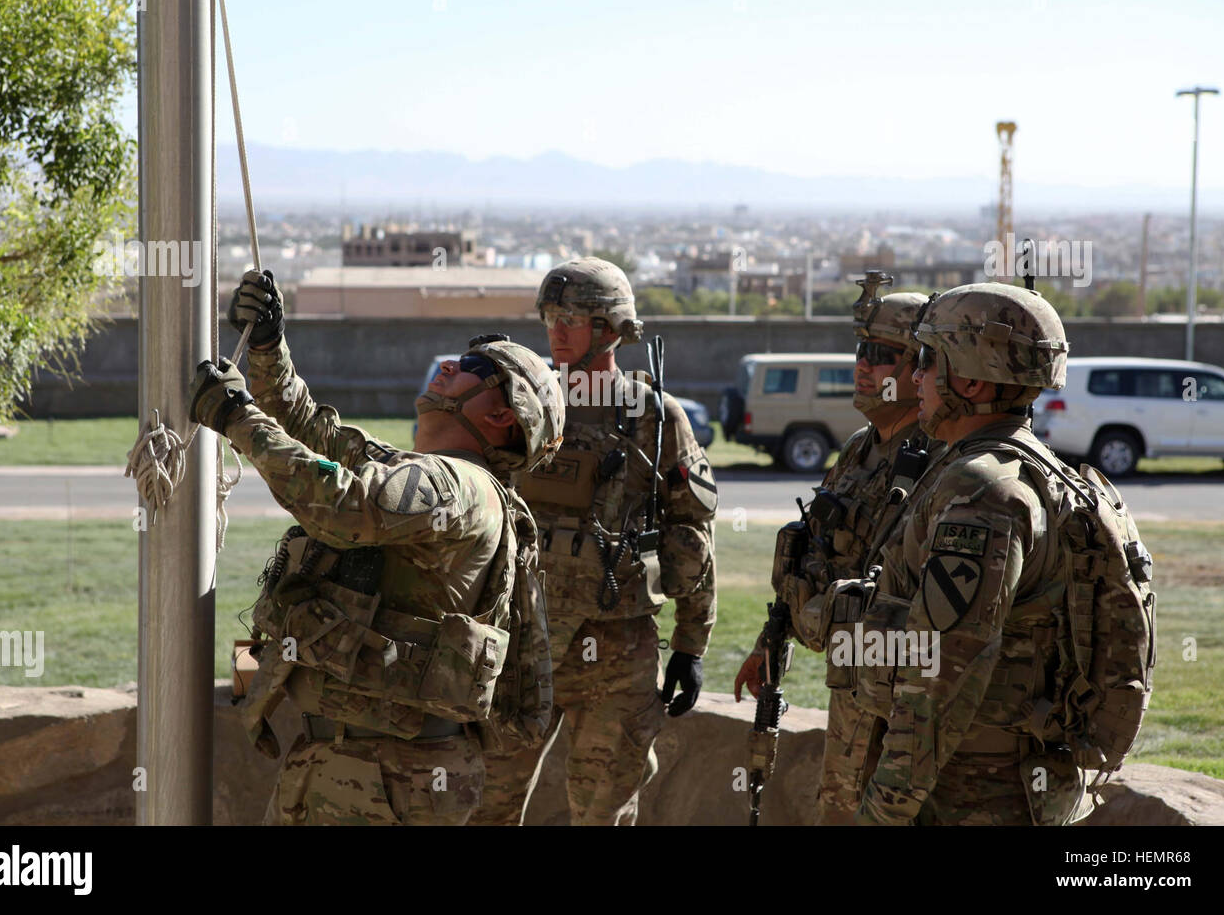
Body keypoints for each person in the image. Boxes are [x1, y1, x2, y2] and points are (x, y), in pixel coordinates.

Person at [190, 269, 564, 825]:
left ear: (504, 416)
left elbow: (341, 506)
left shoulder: (457, 487)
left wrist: (235, 416)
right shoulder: (423, 476)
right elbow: (314, 433)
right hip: (349, 760)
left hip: (394, 777)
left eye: (476, 370)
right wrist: (267, 349)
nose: (451, 366)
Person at [470, 256, 718, 826]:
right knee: (485, 805)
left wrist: (690, 643)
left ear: (611, 329)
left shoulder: (652, 416)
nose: (556, 331)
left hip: (616, 653)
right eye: (550, 316)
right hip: (520, 646)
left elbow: (692, 532)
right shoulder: (520, 404)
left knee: (602, 812)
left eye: (572, 318)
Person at [844, 281, 1102, 825]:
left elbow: (942, 673)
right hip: (997, 780)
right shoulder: (1027, 467)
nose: (916, 377)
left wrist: (883, 812)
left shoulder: (982, 491)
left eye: (930, 360)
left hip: (970, 789)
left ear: (973, 379)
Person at [733, 272, 937, 824]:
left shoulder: (942, 464)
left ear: (924, 370)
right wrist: (770, 644)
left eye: (882, 354)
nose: (863, 366)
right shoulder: (859, 450)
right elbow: (816, 554)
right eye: (861, 351)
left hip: (907, 704)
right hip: (854, 689)